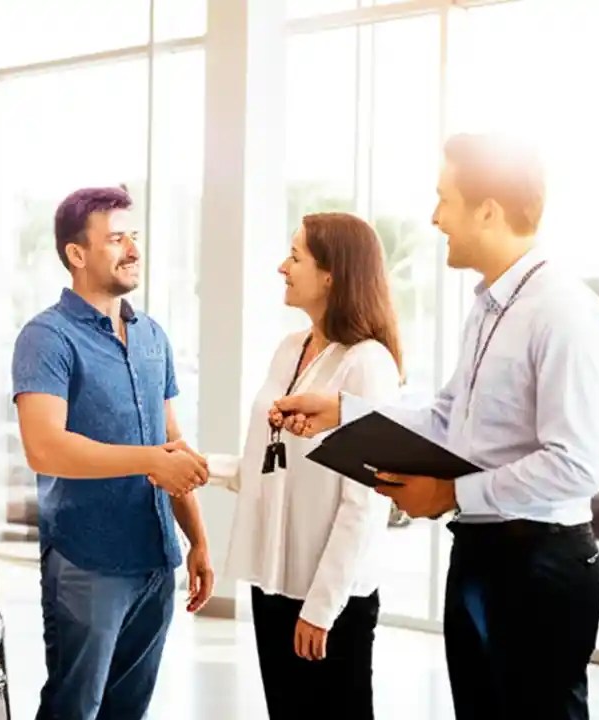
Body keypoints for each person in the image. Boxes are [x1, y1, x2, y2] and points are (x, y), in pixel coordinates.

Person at [275, 133, 599, 720]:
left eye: (445, 200)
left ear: (487, 210)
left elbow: (577, 464)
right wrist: (344, 410)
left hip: (541, 566)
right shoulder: (488, 309)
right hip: (482, 553)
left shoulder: (562, 311)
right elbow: (446, 417)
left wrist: (452, 493)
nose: (435, 218)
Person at [11, 186, 214, 720]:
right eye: (117, 239)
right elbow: (45, 447)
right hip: (87, 558)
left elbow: (172, 446)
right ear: (76, 254)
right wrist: (150, 460)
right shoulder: (46, 338)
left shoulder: (152, 337)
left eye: (136, 237)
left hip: (154, 556)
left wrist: (197, 539)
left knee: (129, 710)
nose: (133, 250)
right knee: (75, 708)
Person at [207, 212, 402, 720]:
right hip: (274, 584)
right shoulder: (291, 348)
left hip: (329, 598)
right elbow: (270, 465)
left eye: (295, 257)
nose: (281, 267)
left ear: (332, 273)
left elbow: (364, 503)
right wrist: (201, 466)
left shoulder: (367, 363)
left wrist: (321, 609)